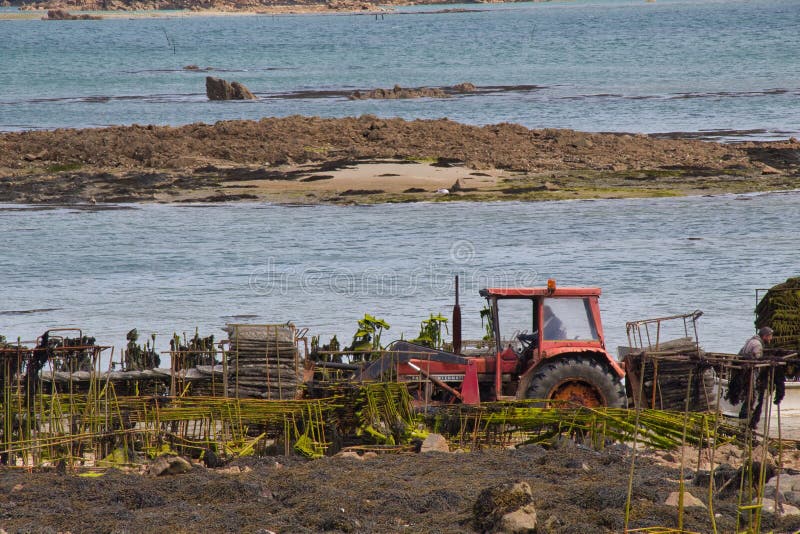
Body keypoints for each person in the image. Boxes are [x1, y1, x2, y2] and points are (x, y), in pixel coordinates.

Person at [736, 326, 774, 428]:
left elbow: (740, 354)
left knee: (750, 393)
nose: (771, 339)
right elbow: (757, 360)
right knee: (752, 394)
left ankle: (745, 416)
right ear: (765, 336)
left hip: (744, 371)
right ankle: (745, 417)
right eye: (770, 336)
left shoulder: (751, 340)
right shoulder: (757, 344)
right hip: (750, 372)